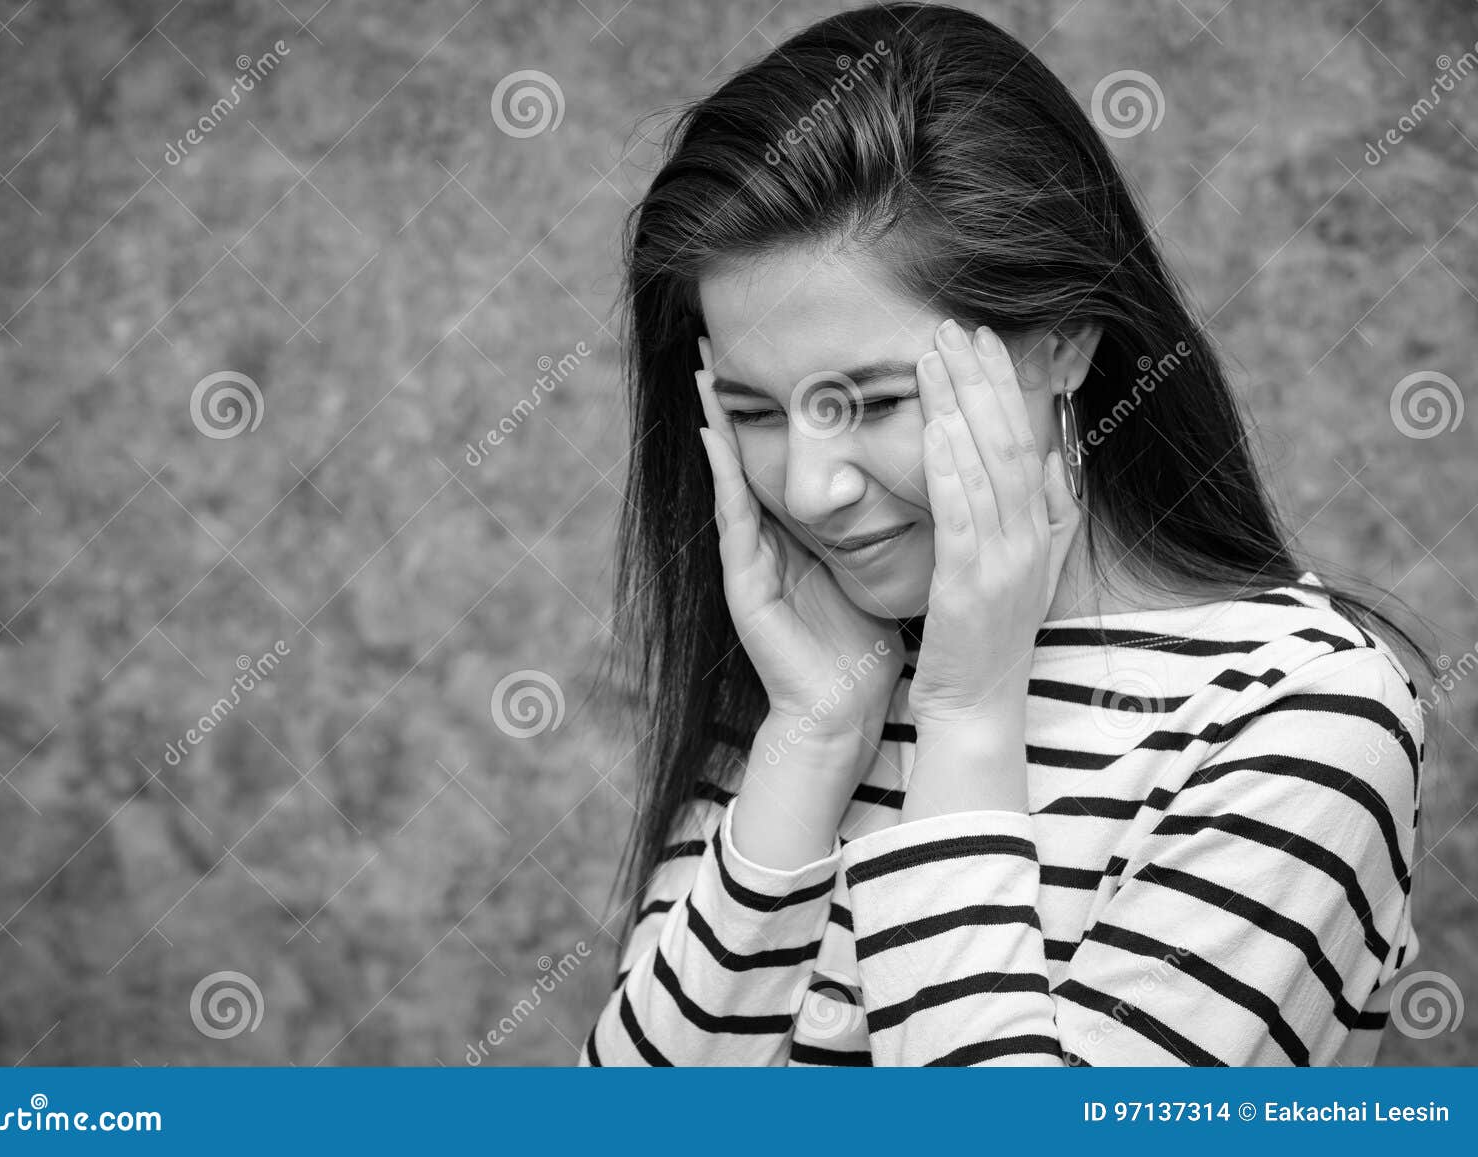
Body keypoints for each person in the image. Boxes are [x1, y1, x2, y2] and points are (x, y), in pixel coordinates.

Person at [579, 1, 1439, 1066]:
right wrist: (812, 739)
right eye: (754, 412)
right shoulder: (814, 661)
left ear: (1065, 342)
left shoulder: (1297, 717)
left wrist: (968, 714)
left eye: (874, 400)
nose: (808, 489)